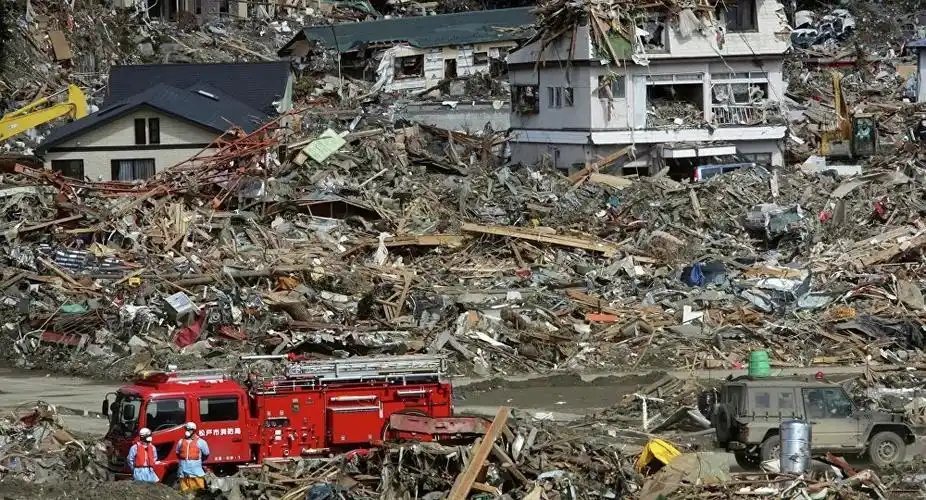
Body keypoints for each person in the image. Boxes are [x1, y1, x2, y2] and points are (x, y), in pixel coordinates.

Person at [176, 422, 210, 493]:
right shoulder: (180, 441)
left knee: (198, 492)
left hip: (196, 472)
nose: (187, 431)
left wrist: (198, 461)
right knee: (184, 492)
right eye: (186, 429)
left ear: (194, 430)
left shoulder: (201, 442)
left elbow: (206, 454)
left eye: (189, 429)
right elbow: (178, 453)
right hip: (183, 473)